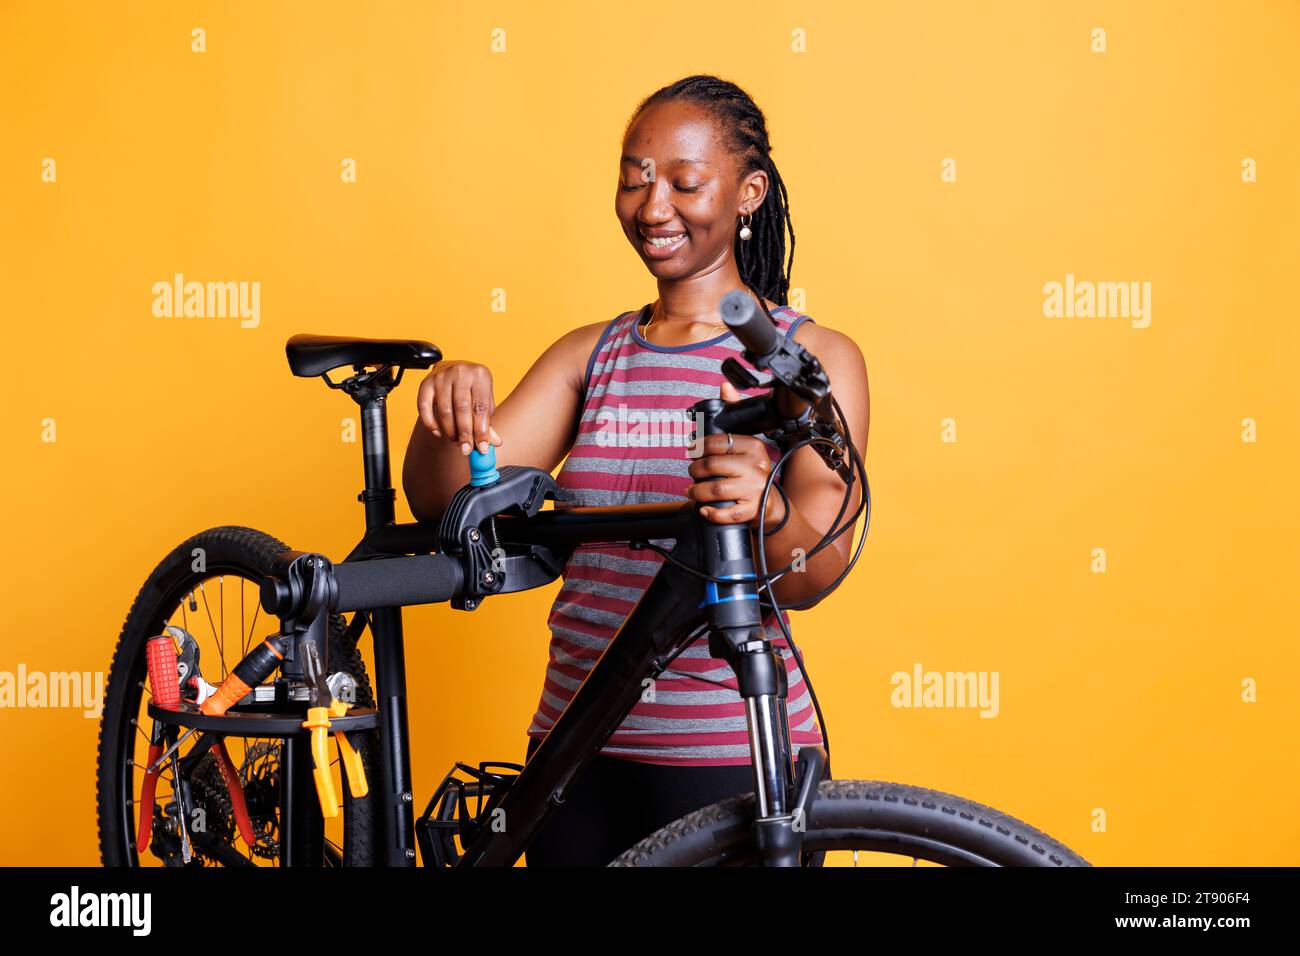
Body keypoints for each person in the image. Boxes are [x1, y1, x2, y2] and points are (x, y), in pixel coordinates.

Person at [402, 74, 870, 865]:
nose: (654, 207)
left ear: (749, 192)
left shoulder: (812, 358)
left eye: (685, 183)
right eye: (634, 180)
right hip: (573, 751)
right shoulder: (594, 354)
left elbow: (811, 573)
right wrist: (443, 416)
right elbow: (448, 499)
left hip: (728, 756)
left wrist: (769, 511)